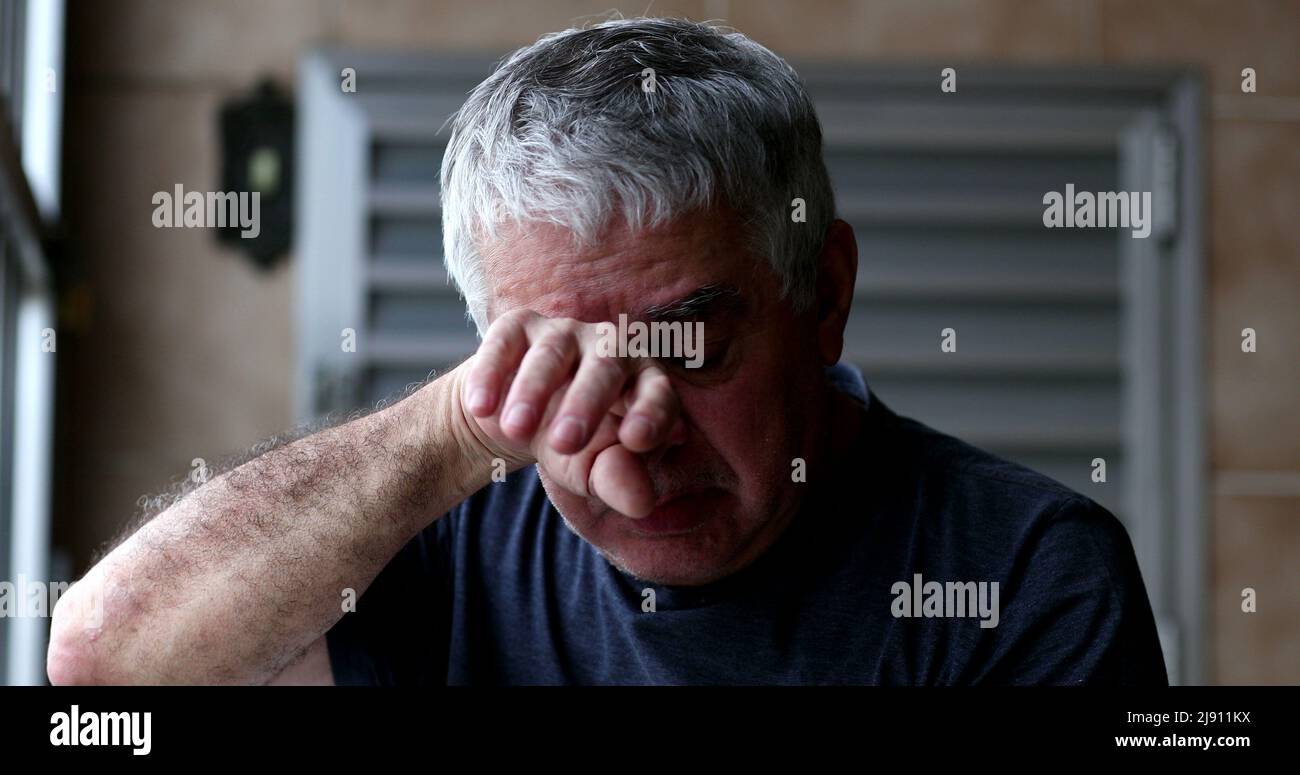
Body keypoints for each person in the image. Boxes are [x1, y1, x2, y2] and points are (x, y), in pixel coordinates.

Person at [48, 17, 1167, 685]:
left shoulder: (1023, 573)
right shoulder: (440, 544)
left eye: (694, 351)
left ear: (820, 296)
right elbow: (104, 663)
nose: (638, 448)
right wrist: (458, 430)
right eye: (569, 366)